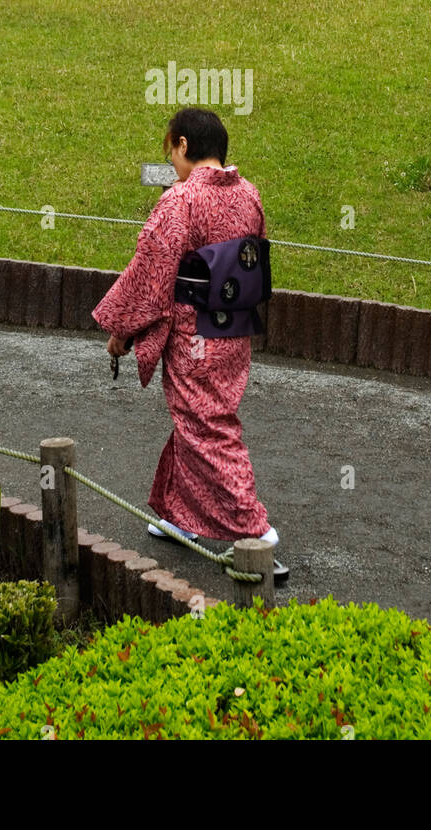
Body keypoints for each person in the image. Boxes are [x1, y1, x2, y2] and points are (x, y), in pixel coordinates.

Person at [91, 107, 287, 582]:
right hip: (235, 328)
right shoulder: (250, 195)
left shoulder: (181, 202)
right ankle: (179, 515)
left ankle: (254, 535)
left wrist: (122, 330)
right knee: (196, 419)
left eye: (171, 150)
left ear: (182, 145)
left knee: (208, 425)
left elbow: (149, 274)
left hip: (195, 333)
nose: (172, 161)